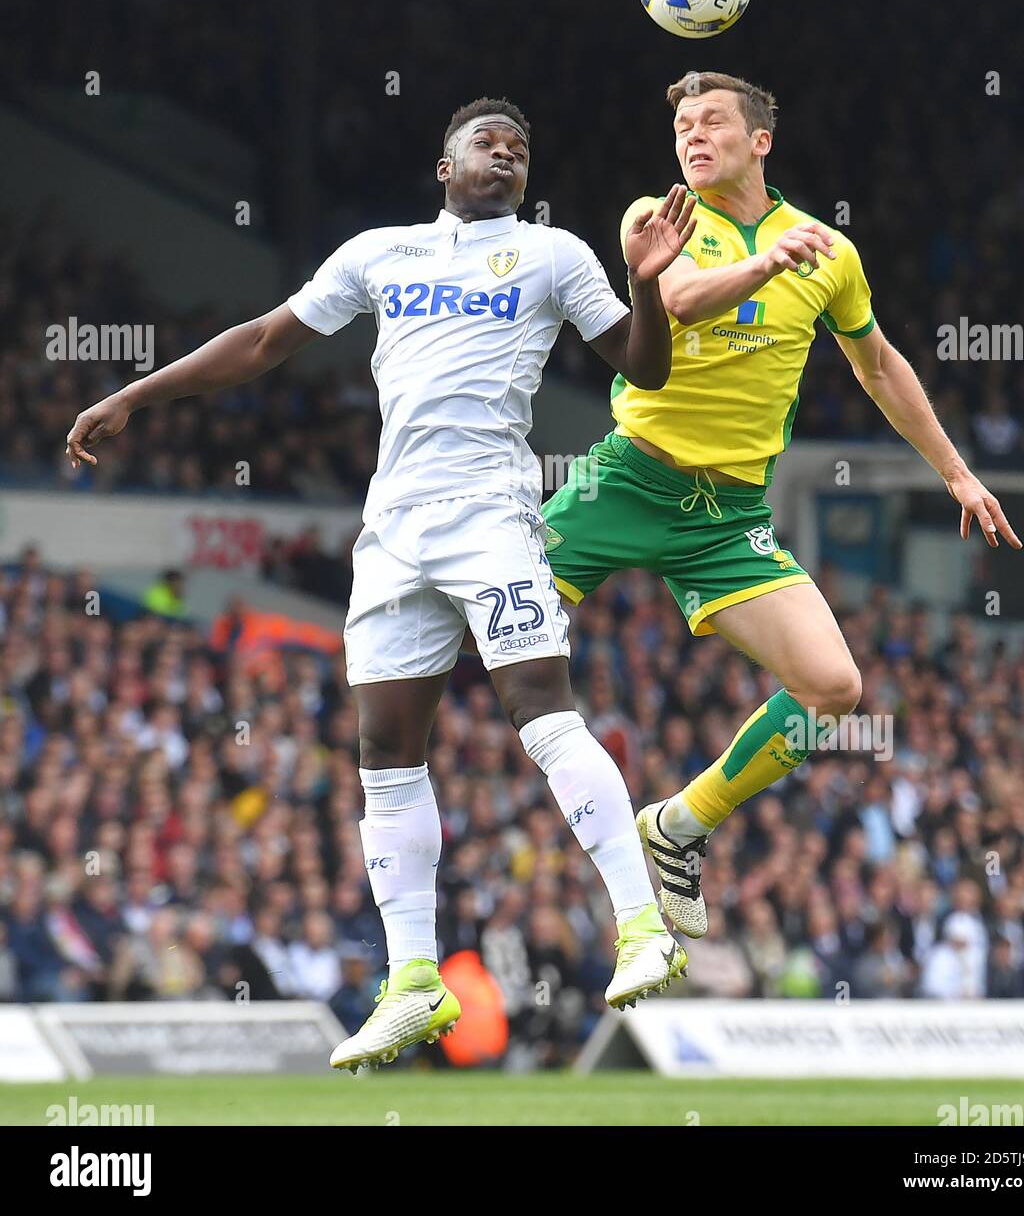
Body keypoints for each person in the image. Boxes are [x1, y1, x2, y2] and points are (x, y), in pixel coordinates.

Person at [65, 97, 696, 1071]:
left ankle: (640, 922)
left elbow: (646, 369)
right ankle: (412, 979)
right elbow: (266, 339)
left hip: (490, 508)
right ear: (443, 167)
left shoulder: (555, 255)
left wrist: (647, 285)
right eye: (486, 142)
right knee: (382, 748)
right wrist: (136, 392)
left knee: (538, 710)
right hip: (393, 526)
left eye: (519, 147)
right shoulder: (379, 253)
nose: (506, 153)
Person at [543, 70, 1021, 937]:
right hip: (623, 479)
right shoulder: (660, 215)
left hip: (728, 514)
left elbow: (878, 365)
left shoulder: (828, 251)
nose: (693, 135)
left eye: (714, 121)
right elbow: (678, 301)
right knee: (475, 635)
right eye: (684, 124)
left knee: (835, 687)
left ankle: (677, 827)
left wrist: (954, 470)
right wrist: (763, 264)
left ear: (760, 140)